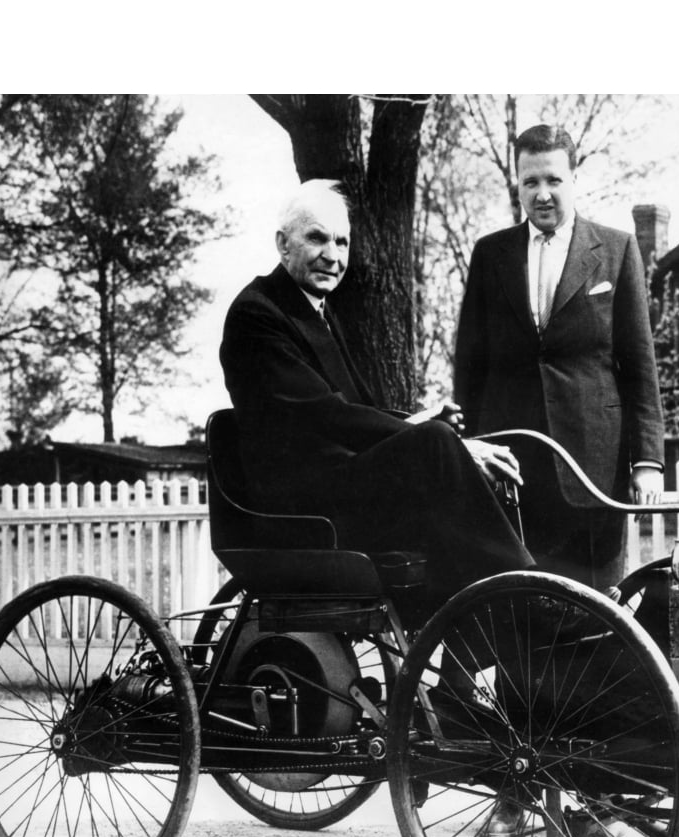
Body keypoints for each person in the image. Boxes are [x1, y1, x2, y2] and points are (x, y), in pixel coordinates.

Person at [220, 179, 535, 610]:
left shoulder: (318, 311)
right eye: (317, 238)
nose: (332, 256)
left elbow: (354, 410)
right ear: (283, 244)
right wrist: (446, 443)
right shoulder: (258, 314)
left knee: (463, 476)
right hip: (298, 512)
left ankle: (479, 645)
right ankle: (531, 595)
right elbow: (326, 416)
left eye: (342, 242)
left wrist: (418, 422)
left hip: (335, 493)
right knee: (441, 448)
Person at [454, 124, 665, 593]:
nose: (542, 194)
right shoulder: (491, 254)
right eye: (530, 182)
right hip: (513, 465)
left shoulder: (616, 250)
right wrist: (472, 449)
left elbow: (639, 365)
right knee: (516, 609)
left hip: (593, 464)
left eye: (553, 180)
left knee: (594, 610)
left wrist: (647, 459)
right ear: (518, 184)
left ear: (574, 179)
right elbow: (469, 365)